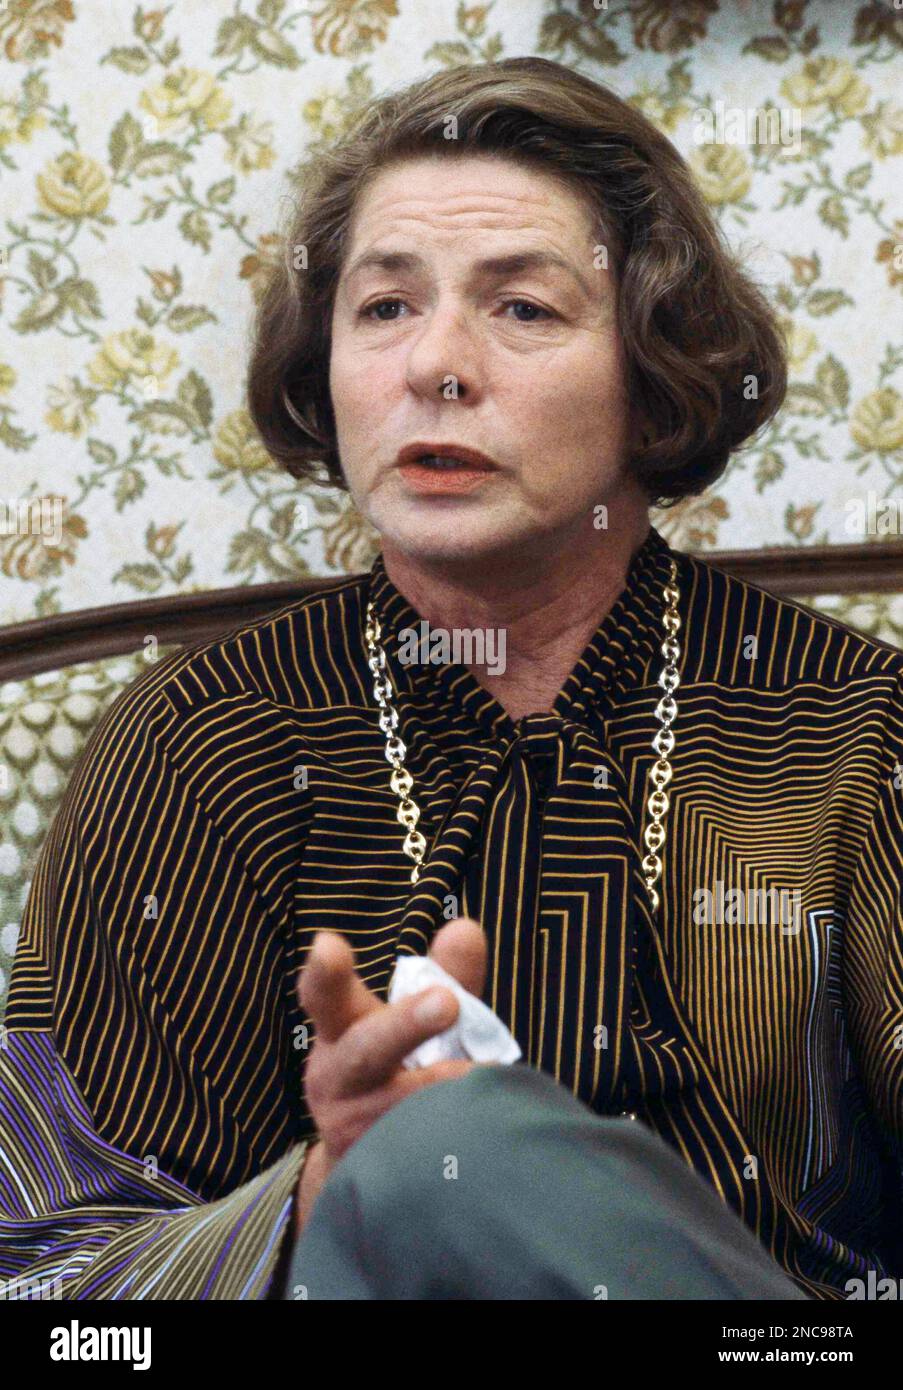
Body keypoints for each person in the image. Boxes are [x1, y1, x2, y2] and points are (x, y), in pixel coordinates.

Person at [1, 57, 900, 1302]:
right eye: (382, 308)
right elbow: (53, 1281)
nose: (437, 365)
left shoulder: (852, 725)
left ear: (656, 372)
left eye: (523, 308)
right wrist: (326, 1191)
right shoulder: (198, 743)